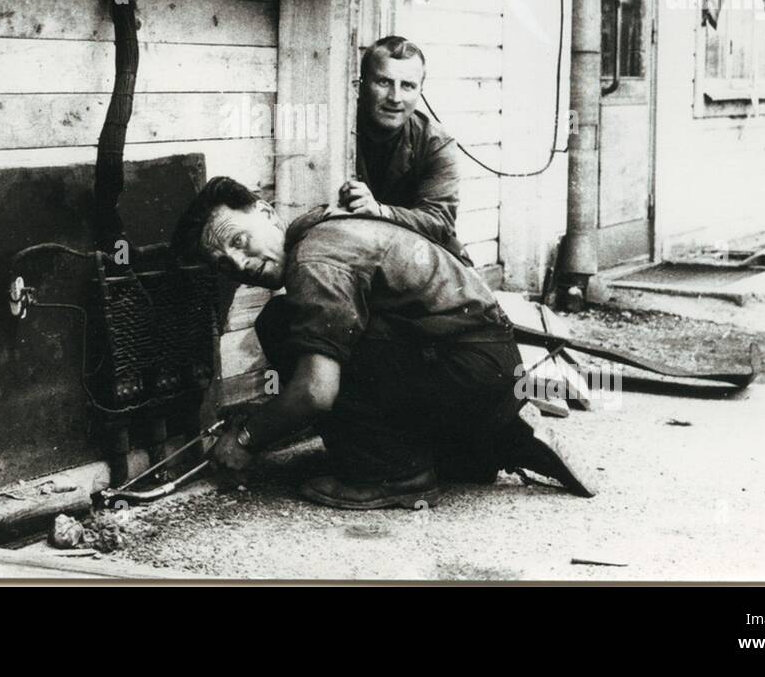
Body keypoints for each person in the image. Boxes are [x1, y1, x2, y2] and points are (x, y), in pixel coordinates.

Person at [172, 176, 595, 509]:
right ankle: (496, 439)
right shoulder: (326, 227)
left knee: (282, 327)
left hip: (465, 364)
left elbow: (317, 392)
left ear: (265, 212)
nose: (242, 263)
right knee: (303, 327)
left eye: (240, 241)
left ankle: (393, 476)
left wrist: (247, 437)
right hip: (487, 365)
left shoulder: (313, 258)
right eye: (225, 264)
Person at [339, 36, 471, 265]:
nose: (395, 98)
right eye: (383, 82)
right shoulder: (339, 129)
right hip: (345, 245)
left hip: (410, 251)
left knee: (460, 267)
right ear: (361, 84)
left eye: (408, 86)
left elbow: (439, 221)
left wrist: (381, 212)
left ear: (421, 90)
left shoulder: (435, 143)